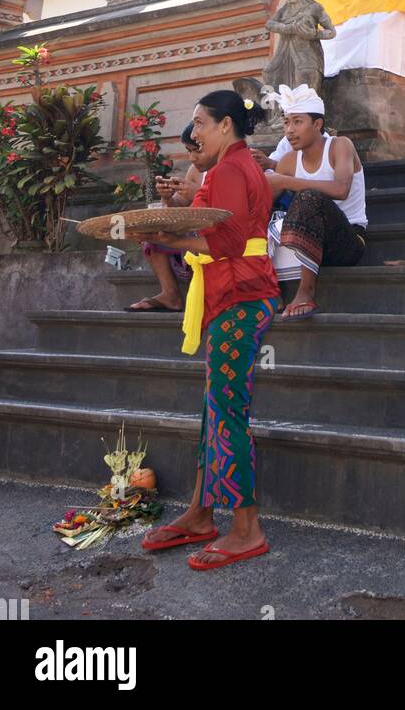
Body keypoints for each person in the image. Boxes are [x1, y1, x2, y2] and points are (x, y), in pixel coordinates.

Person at [129, 90, 279, 569]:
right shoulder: (224, 168)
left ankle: (247, 527)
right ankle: (199, 513)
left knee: (227, 409)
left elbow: (229, 241)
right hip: (227, 294)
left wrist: (167, 237)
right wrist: (169, 231)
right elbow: (212, 228)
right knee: (213, 407)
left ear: (225, 126)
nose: (193, 132)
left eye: (199, 123)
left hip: (243, 294)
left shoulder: (233, 168)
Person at [264, 83, 366, 321]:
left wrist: (285, 182)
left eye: (297, 122)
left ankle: (305, 291)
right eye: (287, 122)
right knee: (265, 216)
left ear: (317, 124)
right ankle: (269, 289)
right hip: (308, 242)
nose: (289, 130)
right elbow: (263, 205)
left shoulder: (340, 146)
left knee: (308, 197)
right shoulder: (288, 161)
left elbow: (341, 189)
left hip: (348, 240)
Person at [125, 124, 208, 313]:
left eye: (198, 150)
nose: (192, 158)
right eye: (189, 151)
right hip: (190, 237)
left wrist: (199, 193)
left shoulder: (228, 167)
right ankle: (170, 294)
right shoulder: (195, 171)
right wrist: (167, 196)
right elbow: (176, 207)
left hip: (215, 240)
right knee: (152, 230)